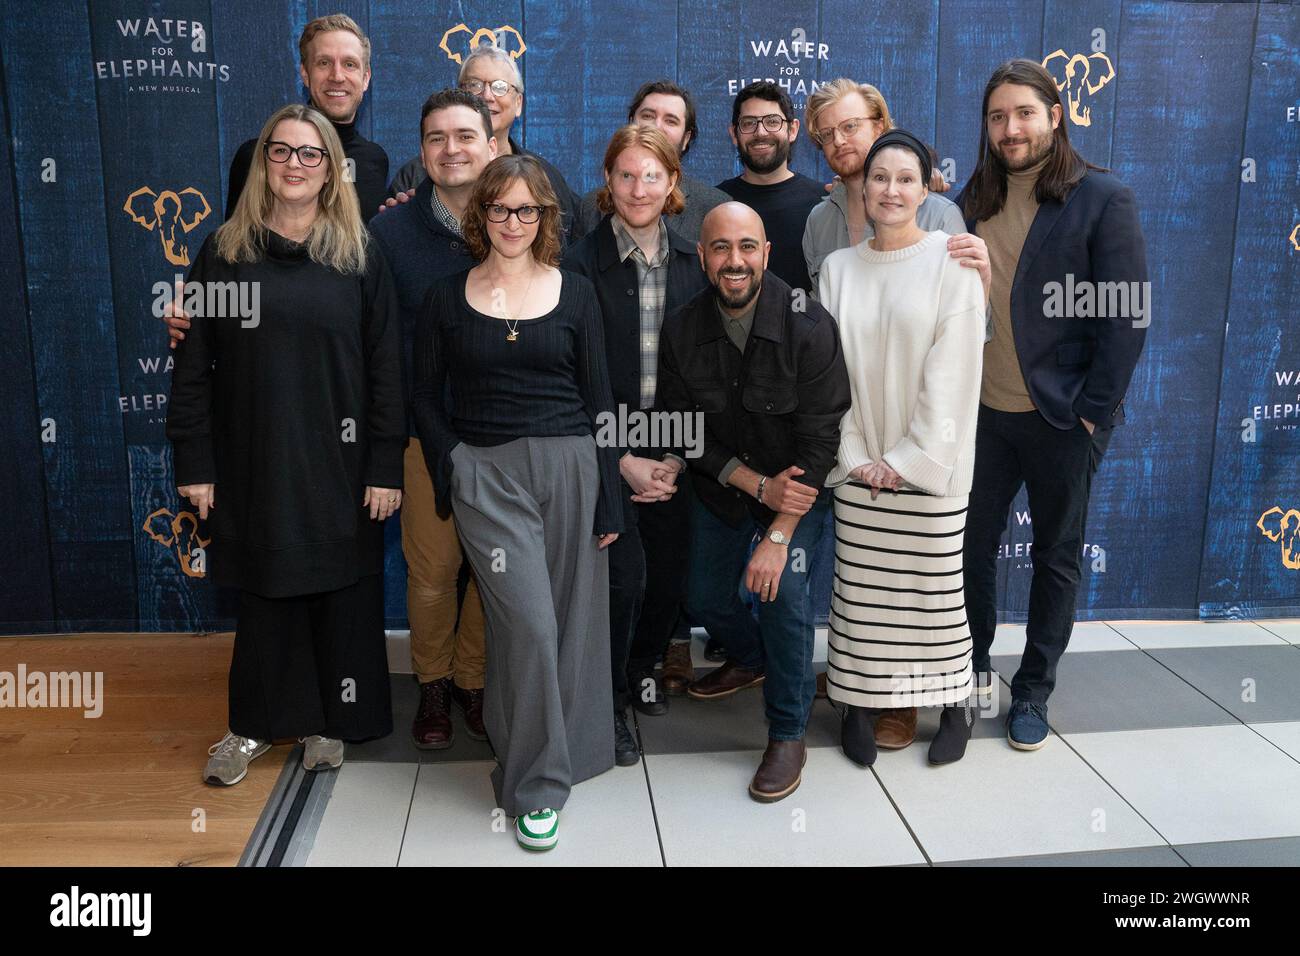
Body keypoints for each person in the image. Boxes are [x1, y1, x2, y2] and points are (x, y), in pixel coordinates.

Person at [168, 103, 405, 786]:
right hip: (253, 461)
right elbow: (193, 364)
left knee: (340, 594)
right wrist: (195, 461)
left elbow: (386, 367)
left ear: (332, 169)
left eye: (310, 153)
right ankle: (249, 728)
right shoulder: (223, 251)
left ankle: (331, 720)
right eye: (282, 151)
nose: (295, 164)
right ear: (262, 162)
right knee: (266, 598)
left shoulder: (360, 253)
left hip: (341, 461)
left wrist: (385, 463)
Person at [411, 154, 622, 852]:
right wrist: (457, 462)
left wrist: (611, 497)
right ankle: (536, 786)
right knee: (527, 626)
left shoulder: (579, 292)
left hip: (570, 470)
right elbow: (422, 395)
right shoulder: (445, 297)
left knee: (567, 627)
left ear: (545, 218)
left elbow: (600, 404)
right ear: (481, 215)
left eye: (527, 210)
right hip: (488, 478)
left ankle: (561, 752)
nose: (512, 222)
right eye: (499, 208)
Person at [956, 60, 1148, 751]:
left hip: (1061, 417)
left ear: (1056, 114)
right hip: (980, 414)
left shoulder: (1101, 196)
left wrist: (1093, 412)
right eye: (997, 116)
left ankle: (1033, 690)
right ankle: (971, 669)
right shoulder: (969, 197)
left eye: (1024, 113)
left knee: (1056, 554)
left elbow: (1126, 317)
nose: (1011, 128)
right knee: (969, 547)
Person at [657, 202, 850, 801]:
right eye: (720, 248)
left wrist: (777, 532)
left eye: (747, 247)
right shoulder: (683, 326)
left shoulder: (809, 325)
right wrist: (752, 484)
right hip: (727, 490)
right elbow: (680, 428)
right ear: (702, 257)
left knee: (782, 594)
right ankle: (752, 657)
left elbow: (821, 444)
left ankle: (787, 732)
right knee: (702, 595)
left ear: (766, 252)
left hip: (801, 495)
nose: (734, 260)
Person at [819, 130, 986, 766]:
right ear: (862, 187)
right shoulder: (838, 269)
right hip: (859, 467)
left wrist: (910, 460)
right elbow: (828, 374)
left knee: (935, 593)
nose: (891, 190)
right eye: (879, 177)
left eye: (905, 179)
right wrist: (858, 454)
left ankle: (954, 703)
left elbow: (956, 370)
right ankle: (858, 701)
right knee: (861, 593)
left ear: (926, 188)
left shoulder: (954, 258)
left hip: (933, 469)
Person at [562, 125, 709, 766]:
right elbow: (567, 375)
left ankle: (644, 669)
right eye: (626, 175)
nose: (639, 188)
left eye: (653, 175)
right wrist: (621, 461)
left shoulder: (693, 264)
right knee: (620, 585)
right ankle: (613, 701)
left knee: (668, 582)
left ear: (673, 183)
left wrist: (671, 459)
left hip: (674, 450)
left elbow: (704, 372)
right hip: (604, 447)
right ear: (607, 181)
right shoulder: (576, 265)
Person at [368, 89, 496, 750]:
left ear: (493, 143)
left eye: (465, 136)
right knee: (434, 572)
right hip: (425, 436)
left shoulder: (515, 222)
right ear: (423, 152)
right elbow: (366, 338)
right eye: (438, 138)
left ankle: (474, 682)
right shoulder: (388, 233)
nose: (453, 149)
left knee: (490, 568)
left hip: (505, 434)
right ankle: (435, 688)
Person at [802, 79, 988, 298]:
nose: (839, 140)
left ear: (878, 127)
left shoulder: (939, 216)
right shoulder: (819, 221)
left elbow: (968, 316)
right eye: (827, 134)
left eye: (850, 126)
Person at [386, 43, 580, 241]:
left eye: (500, 87)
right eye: (474, 85)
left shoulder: (545, 177)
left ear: (518, 103)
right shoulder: (415, 175)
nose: (487, 96)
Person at [226, 15, 388, 223]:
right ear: (305, 74)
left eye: (349, 64)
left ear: (365, 78)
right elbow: (233, 247)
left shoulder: (374, 159)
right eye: (324, 63)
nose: (337, 76)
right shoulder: (260, 157)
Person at [575, 80, 730, 242]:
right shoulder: (590, 208)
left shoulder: (715, 208)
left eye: (670, 121)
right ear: (630, 125)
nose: (656, 127)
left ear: (686, 138)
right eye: (648, 116)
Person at [716, 81, 825, 294]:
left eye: (773, 122)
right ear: (734, 134)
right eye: (748, 123)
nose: (761, 132)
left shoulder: (823, 204)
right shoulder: (715, 203)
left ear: (792, 130)